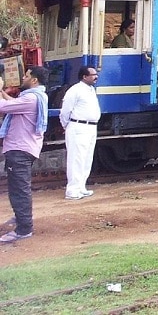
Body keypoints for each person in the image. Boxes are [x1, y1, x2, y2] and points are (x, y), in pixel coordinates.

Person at [0, 65, 49, 242]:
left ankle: (23, 229)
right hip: (23, 148)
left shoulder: (30, 99)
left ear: (34, 80)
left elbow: (4, 107)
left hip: (19, 148)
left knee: (19, 190)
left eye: (26, 75)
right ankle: (21, 218)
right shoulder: (34, 97)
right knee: (19, 188)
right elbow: (11, 104)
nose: (23, 78)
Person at [59, 65, 101, 199]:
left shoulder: (90, 90)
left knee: (86, 158)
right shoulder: (75, 90)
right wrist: (67, 125)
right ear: (84, 76)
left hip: (90, 127)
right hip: (78, 126)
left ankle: (81, 187)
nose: (96, 77)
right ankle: (72, 190)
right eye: (93, 74)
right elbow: (65, 111)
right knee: (76, 159)